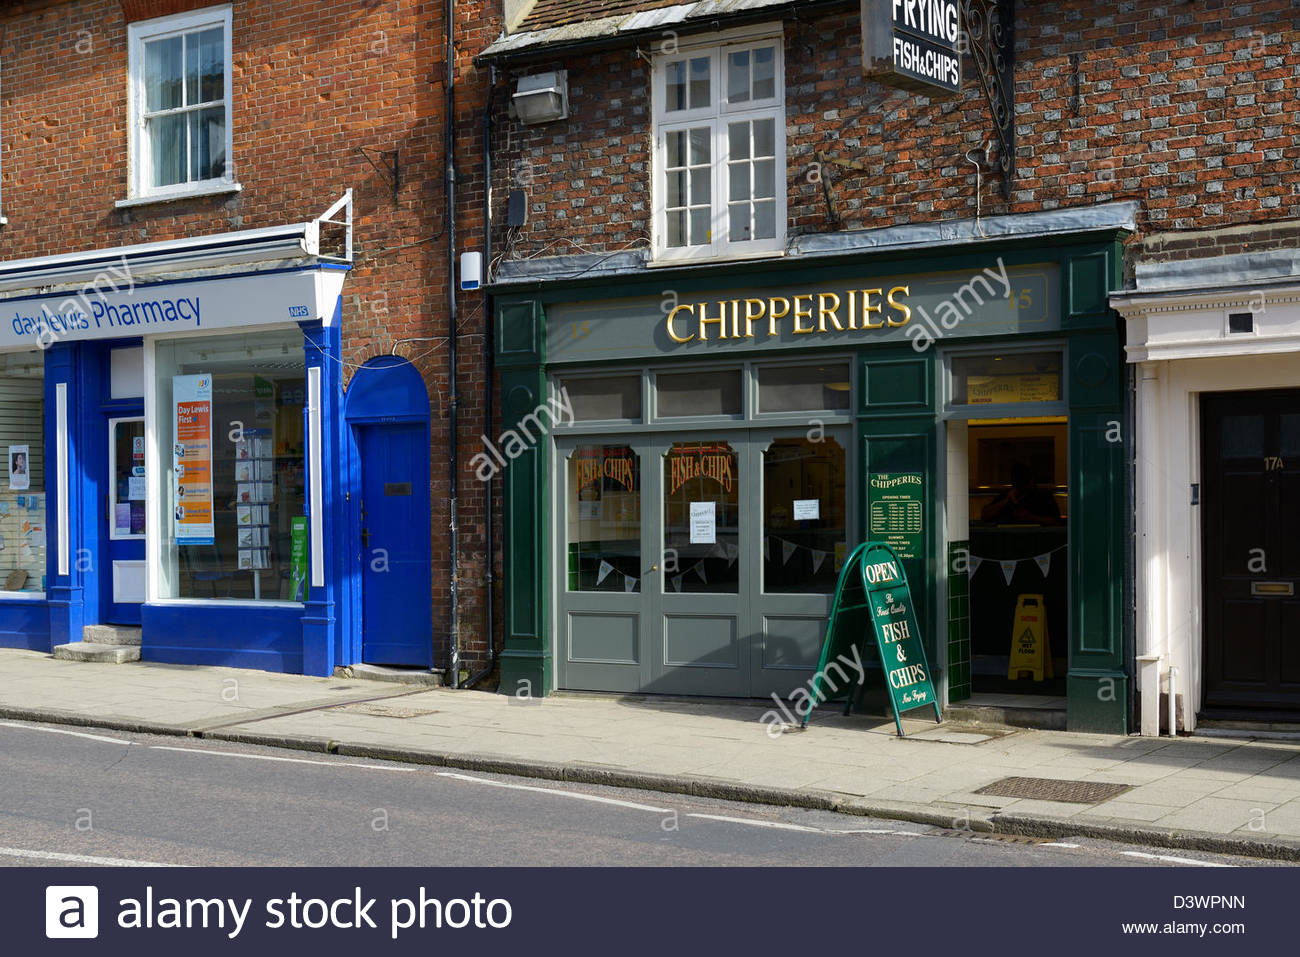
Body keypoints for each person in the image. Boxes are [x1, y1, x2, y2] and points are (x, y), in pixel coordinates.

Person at [980, 462, 1061, 526]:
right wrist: (1006, 501)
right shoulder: (1007, 495)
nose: (1021, 488)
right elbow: (985, 515)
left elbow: (1056, 522)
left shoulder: (1043, 496)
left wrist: (1031, 518)